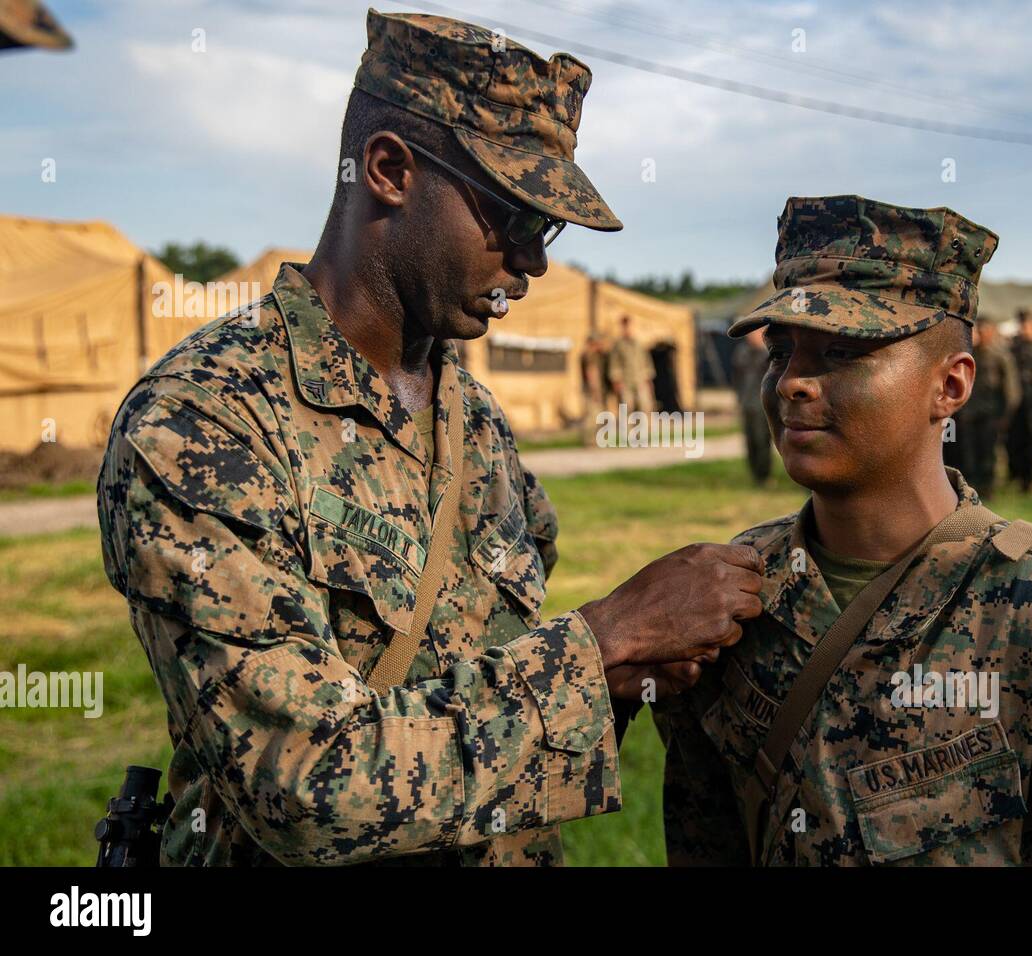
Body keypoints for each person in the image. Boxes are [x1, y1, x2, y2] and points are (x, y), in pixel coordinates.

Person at [96, 11, 762, 867]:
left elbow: (486, 681)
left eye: (545, 229)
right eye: (510, 215)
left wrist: (646, 669)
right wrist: (607, 642)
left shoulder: (471, 418)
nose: (534, 262)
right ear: (387, 170)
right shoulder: (206, 421)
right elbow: (300, 784)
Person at [654, 194, 1032, 866]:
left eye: (842, 353)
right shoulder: (729, 595)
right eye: (781, 353)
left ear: (950, 386)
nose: (792, 384)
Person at [960, 314, 1019, 497]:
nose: (979, 333)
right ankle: (969, 487)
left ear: (992, 332)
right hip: (969, 412)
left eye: (983, 330)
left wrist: (1006, 416)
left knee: (988, 453)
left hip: (991, 414)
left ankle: (987, 488)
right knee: (968, 452)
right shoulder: (969, 353)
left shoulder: (1001, 356)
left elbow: (1011, 390)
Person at [1006, 309, 1032, 492]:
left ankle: (1031, 480)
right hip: (1017, 402)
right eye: (1023, 325)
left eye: (1029, 325)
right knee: (1014, 440)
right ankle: (1016, 476)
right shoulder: (1014, 348)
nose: (1025, 329)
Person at [732, 326, 774, 484]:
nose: (751, 336)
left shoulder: (769, 353)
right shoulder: (741, 352)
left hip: (762, 405)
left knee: (762, 440)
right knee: (750, 441)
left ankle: (764, 475)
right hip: (746, 403)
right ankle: (755, 475)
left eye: (754, 333)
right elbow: (736, 378)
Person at [608, 315, 656, 413]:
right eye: (624, 327)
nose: (627, 329)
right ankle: (628, 427)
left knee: (644, 405)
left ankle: (643, 426)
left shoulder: (638, 343)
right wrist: (616, 380)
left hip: (640, 379)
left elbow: (646, 361)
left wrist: (648, 377)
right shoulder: (618, 345)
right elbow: (614, 364)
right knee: (627, 406)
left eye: (629, 326)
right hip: (625, 380)